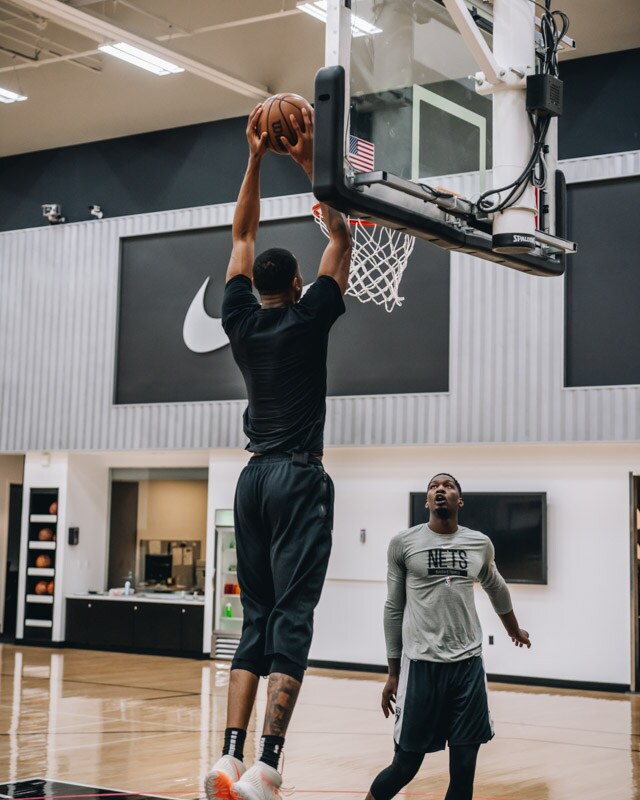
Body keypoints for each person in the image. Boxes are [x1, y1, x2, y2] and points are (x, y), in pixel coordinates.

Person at [205, 104, 352, 800]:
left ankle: (228, 757)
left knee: (255, 618)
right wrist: (306, 159)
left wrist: (255, 157)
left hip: (252, 479)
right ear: (296, 285)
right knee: (292, 616)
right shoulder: (310, 315)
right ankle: (267, 764)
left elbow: (242, 232)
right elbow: (342, 235)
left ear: (254, 287)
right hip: (296, 476)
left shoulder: (238, 320)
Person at [365, 473, 531, 800]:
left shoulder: (479, 543)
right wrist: (393, 672)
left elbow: (496, 587)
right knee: (405, 765)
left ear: (460, 501)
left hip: (467, 668)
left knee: (464, 769)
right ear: (427, 502)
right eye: (434, 486)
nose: (440, 489)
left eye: (448, 486)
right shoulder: (403, 543)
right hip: (421, 666)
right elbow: (394, 607)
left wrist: (514, 629)